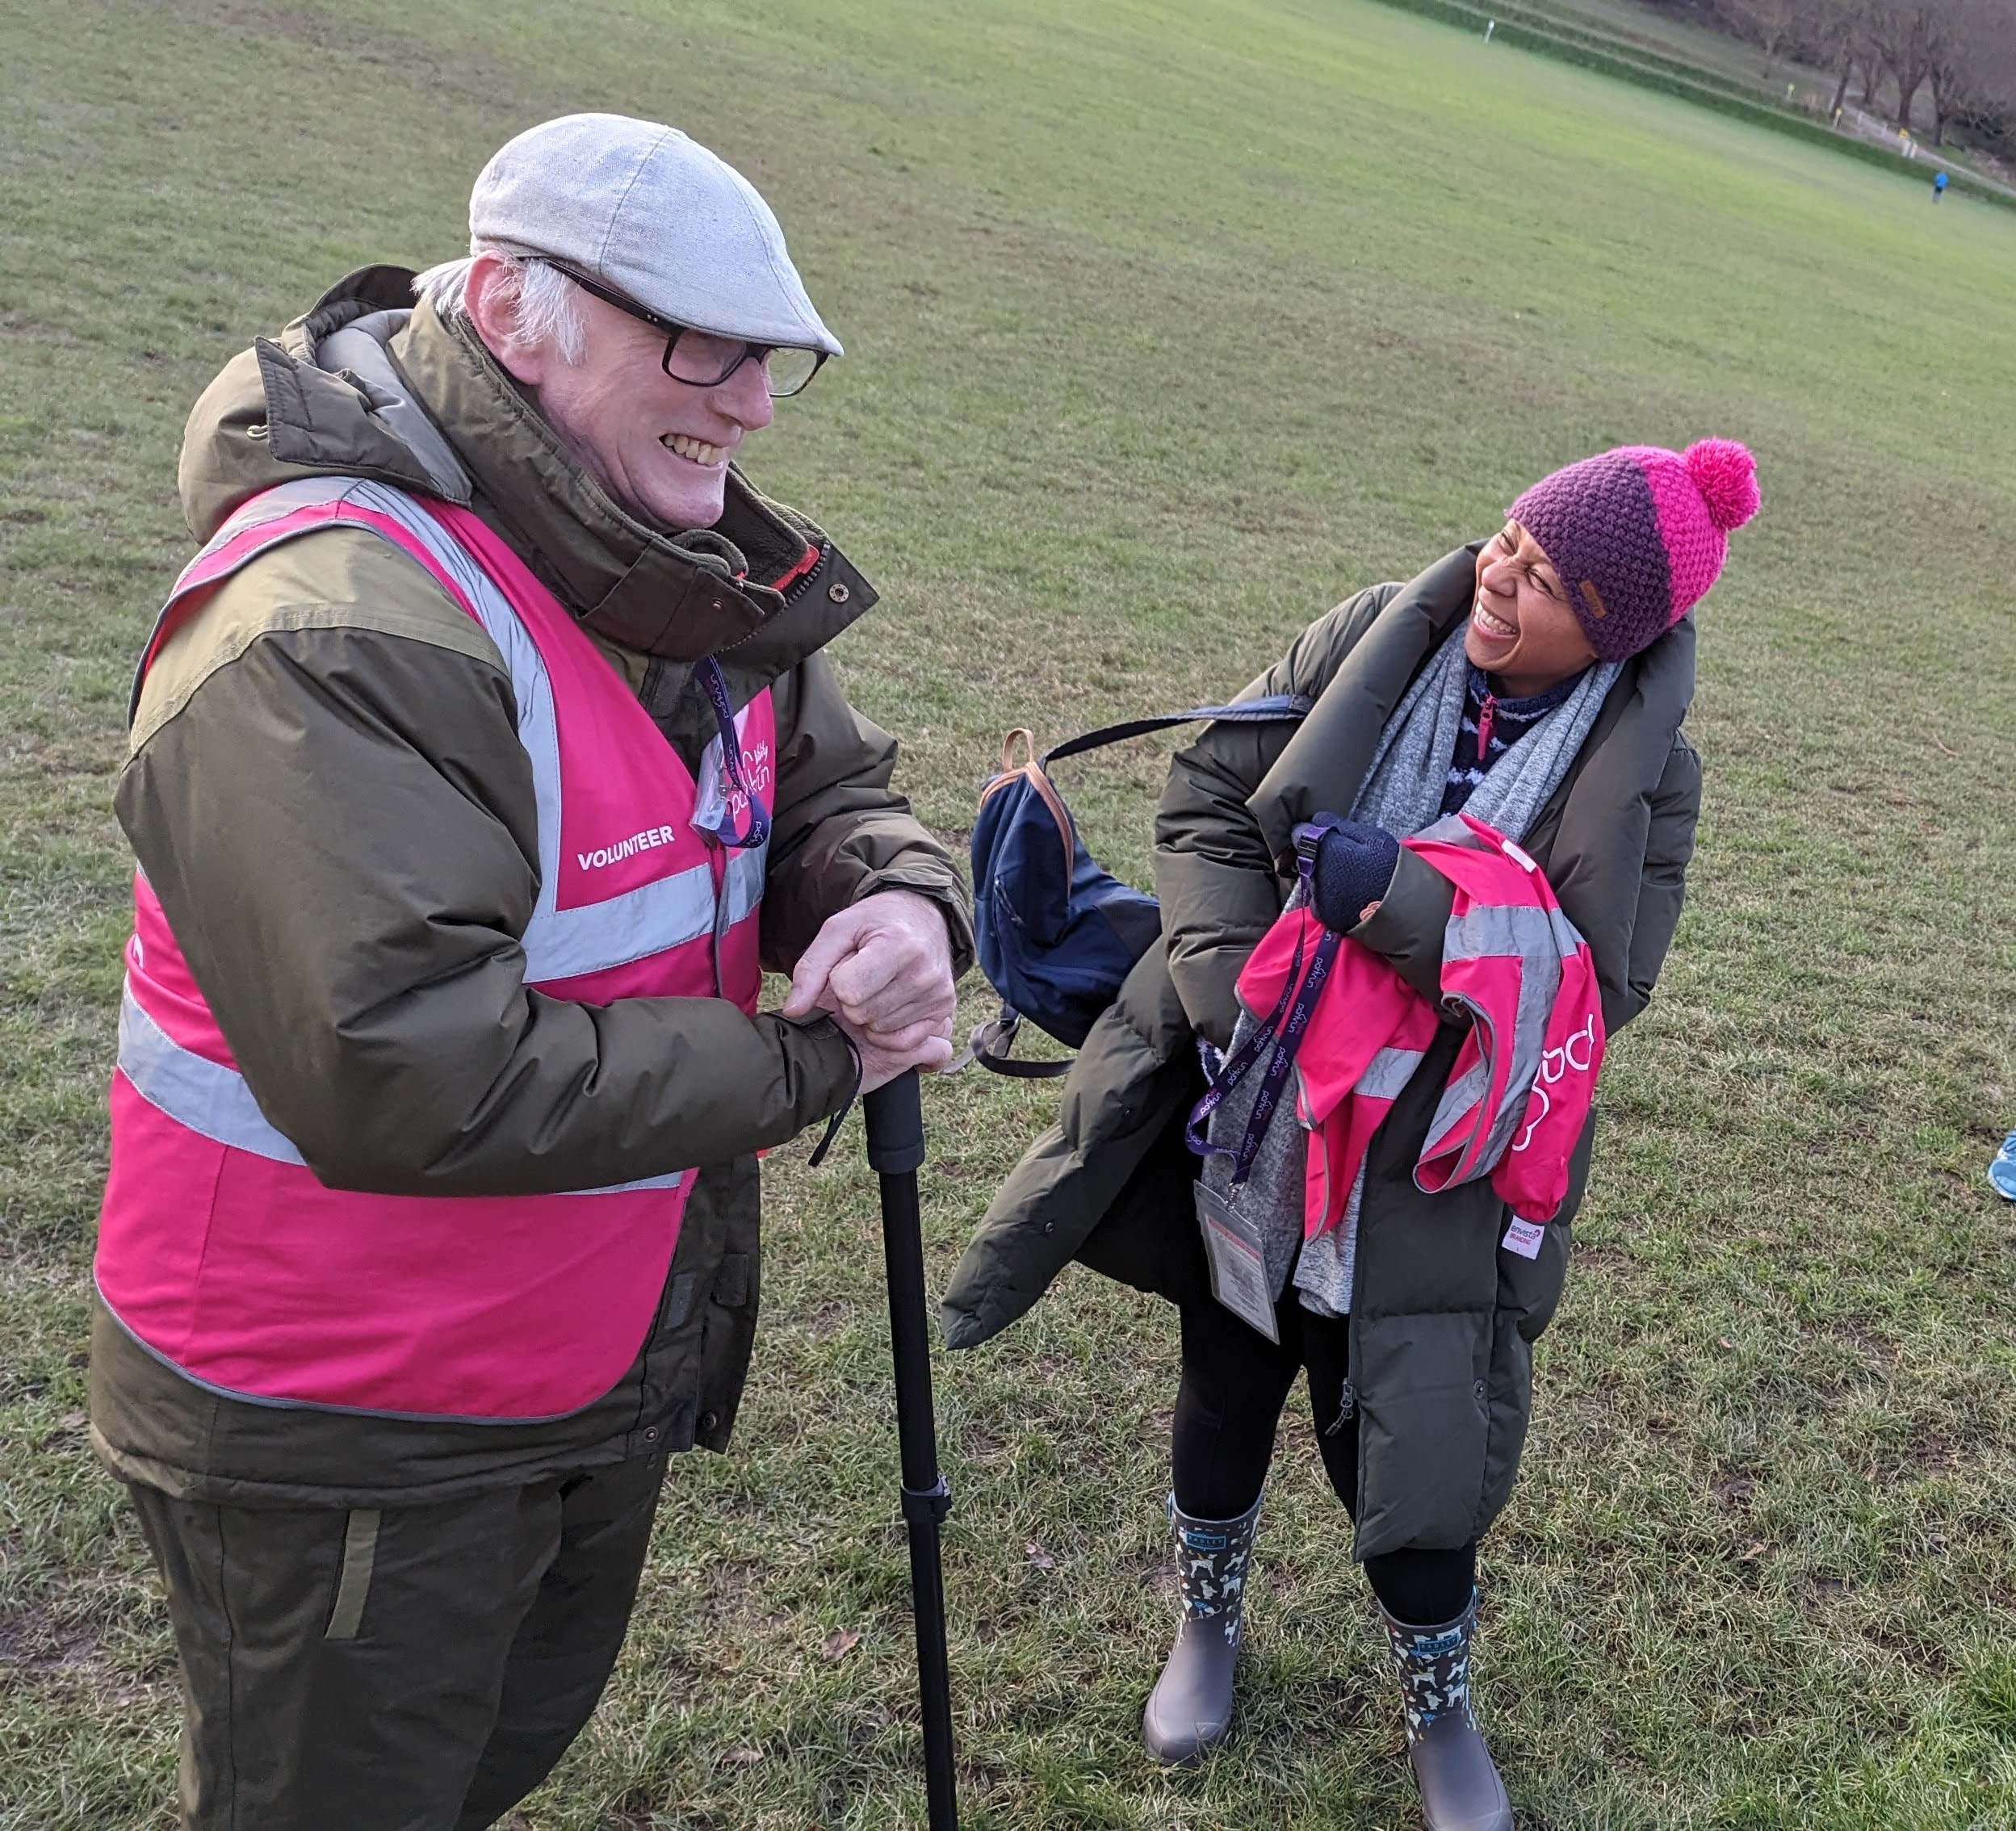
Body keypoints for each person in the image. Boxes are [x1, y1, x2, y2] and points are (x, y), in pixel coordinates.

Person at [90, 113, 970, 1830]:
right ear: (508, 308)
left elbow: (827, 785)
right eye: (700, 348)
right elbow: (417, 1069)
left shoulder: (667, 553)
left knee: (482, 1768)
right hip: (346, 1412)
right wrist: (820, 1061)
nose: (751, 405)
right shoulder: (334, 622)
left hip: (575, 1357)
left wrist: (893, 896)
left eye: (771, 359)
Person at [946, 442, 1760, 1826]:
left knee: (1399, 1441)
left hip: (1431, 1161)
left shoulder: (1645, 775)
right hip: (1253, 1111)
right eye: (1509, 538)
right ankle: (1206, 1620)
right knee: (1225, 1376)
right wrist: (1229, 987)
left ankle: (1439, 1702)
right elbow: (1209, 797)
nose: (1499, 574)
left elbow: (1595, 982)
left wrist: (1398, 902)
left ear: (1610, 632)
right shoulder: (1375, 636)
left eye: (1545, 580)